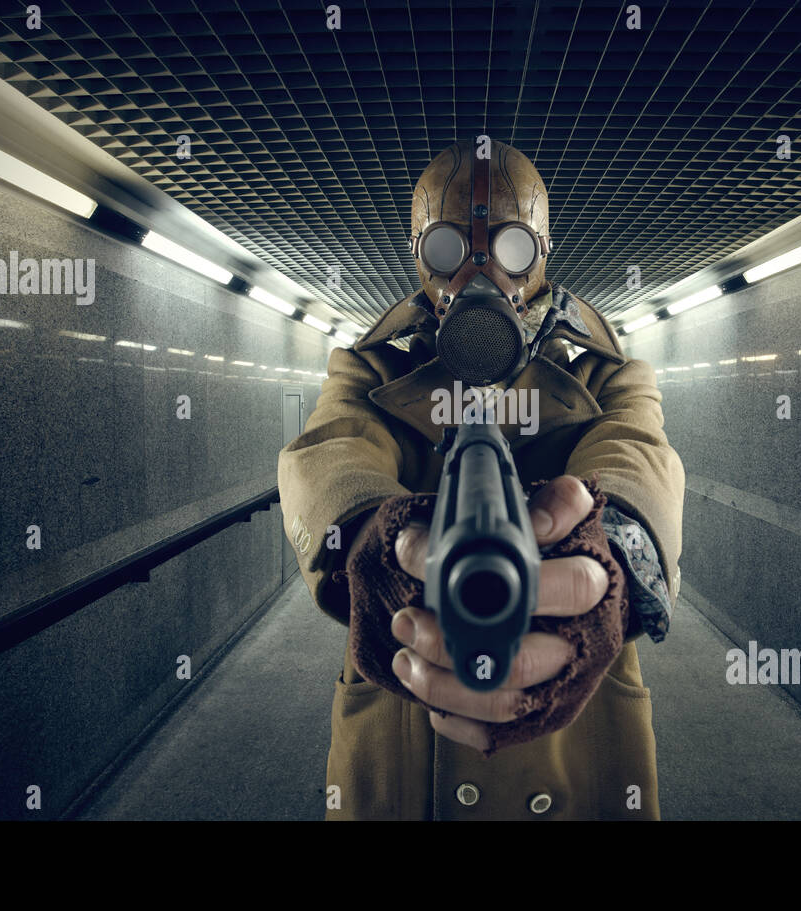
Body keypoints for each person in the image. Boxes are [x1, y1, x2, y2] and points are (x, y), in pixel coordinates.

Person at [278, 138, 685, 820]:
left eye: (511, 247)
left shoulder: (608, 372)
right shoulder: (371, 368)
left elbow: (639, 459)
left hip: (573, 743)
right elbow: (328, 455)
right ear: (416, 252)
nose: (479, 271)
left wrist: (605, 561)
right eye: (448, 249)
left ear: (544, 250)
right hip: (403, 739)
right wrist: (375, 544)